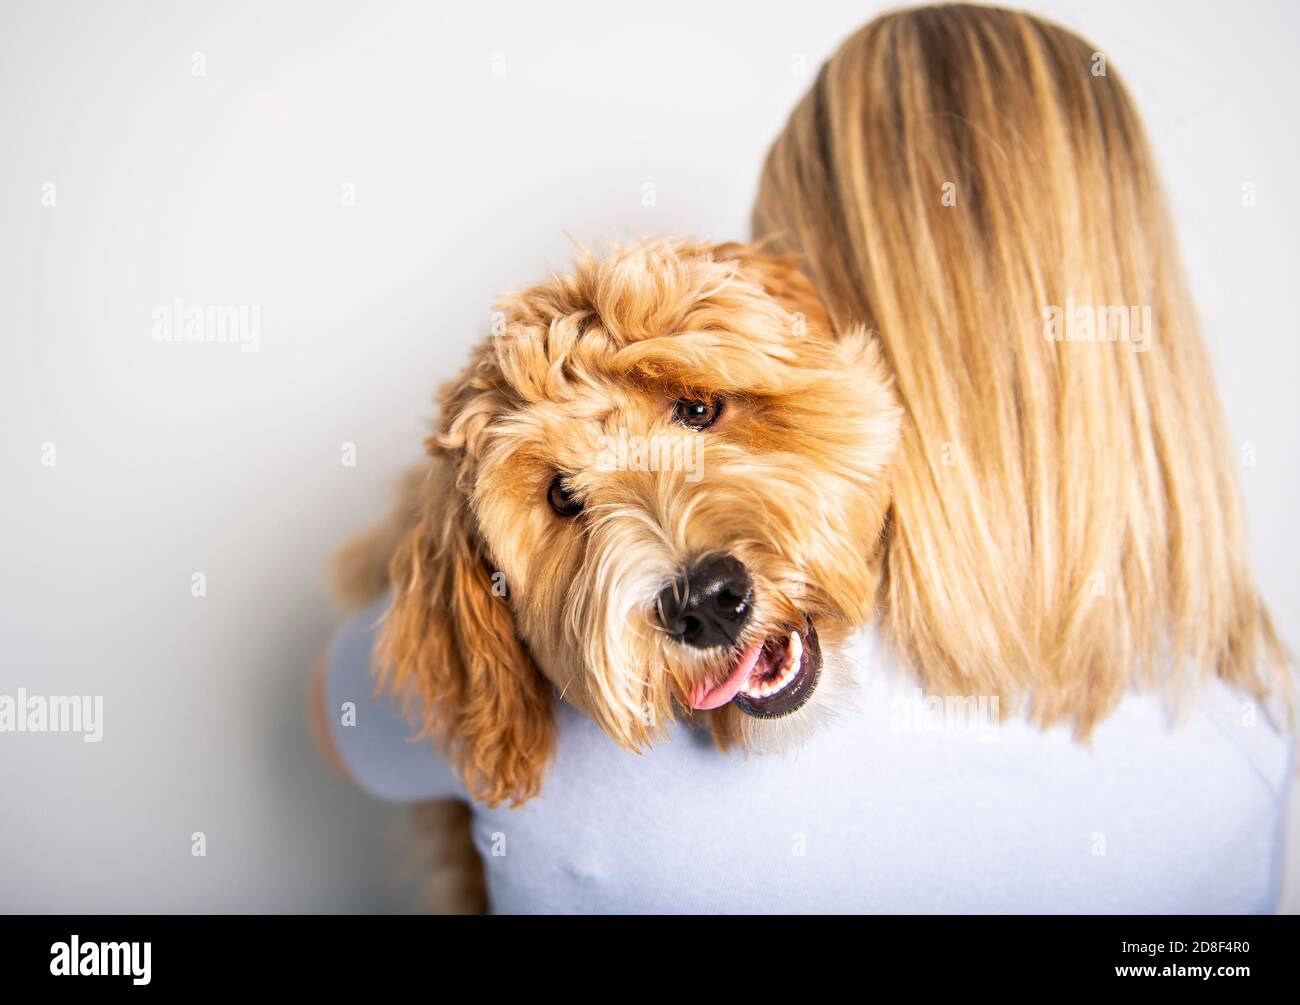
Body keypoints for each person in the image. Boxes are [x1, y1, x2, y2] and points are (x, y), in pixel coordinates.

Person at [312, 4, 1293, 913]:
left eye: (699, 408)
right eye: (568, 495)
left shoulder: (576, 756)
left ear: (829, 309)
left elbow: (342, 720)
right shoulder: (1251, 734)